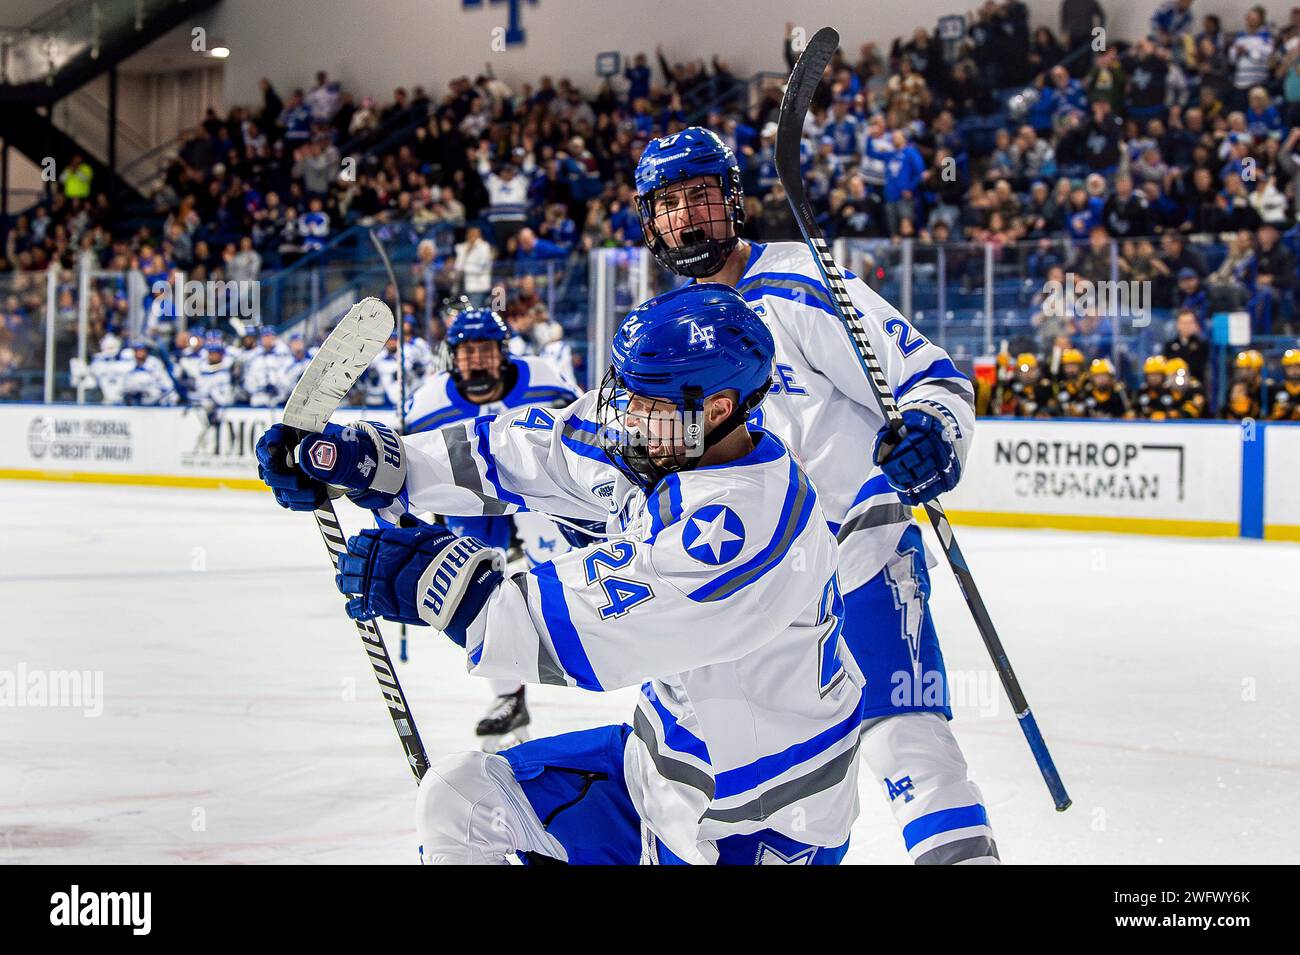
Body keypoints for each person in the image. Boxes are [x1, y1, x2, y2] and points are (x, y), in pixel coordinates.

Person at [254, 283, 865, 865]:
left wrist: (444, 587)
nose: (627, 417)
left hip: (760, 815)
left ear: (719, 408)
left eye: (648, 404)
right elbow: (529, 450)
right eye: (628, 394)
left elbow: (592, 629)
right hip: (664, 764)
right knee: (462, 800)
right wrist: (382, 461)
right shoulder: (667, 438)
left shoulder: (746, 525)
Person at [631, 128, 995, 864]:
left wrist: (931, 429)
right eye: (668, 204)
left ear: (732, 201)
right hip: (750, 600)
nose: (685, 218)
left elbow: (933, 375)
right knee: (751, 798)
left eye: (699, 196)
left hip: (859, 564)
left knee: (907, 745)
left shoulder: (801, 282)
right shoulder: (666, 331)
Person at [401, 304, 581, 749]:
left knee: (571, 580)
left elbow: (588, 429)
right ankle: (507, 697)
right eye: (467, 352)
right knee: (475, 594)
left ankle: (599, 643)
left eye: (485, 350)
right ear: (452, 357)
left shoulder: (542, 377)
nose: (477, 360)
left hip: (542, 499)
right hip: (471, 503)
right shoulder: (426, 402)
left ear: (502, 352)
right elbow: (405, 465)